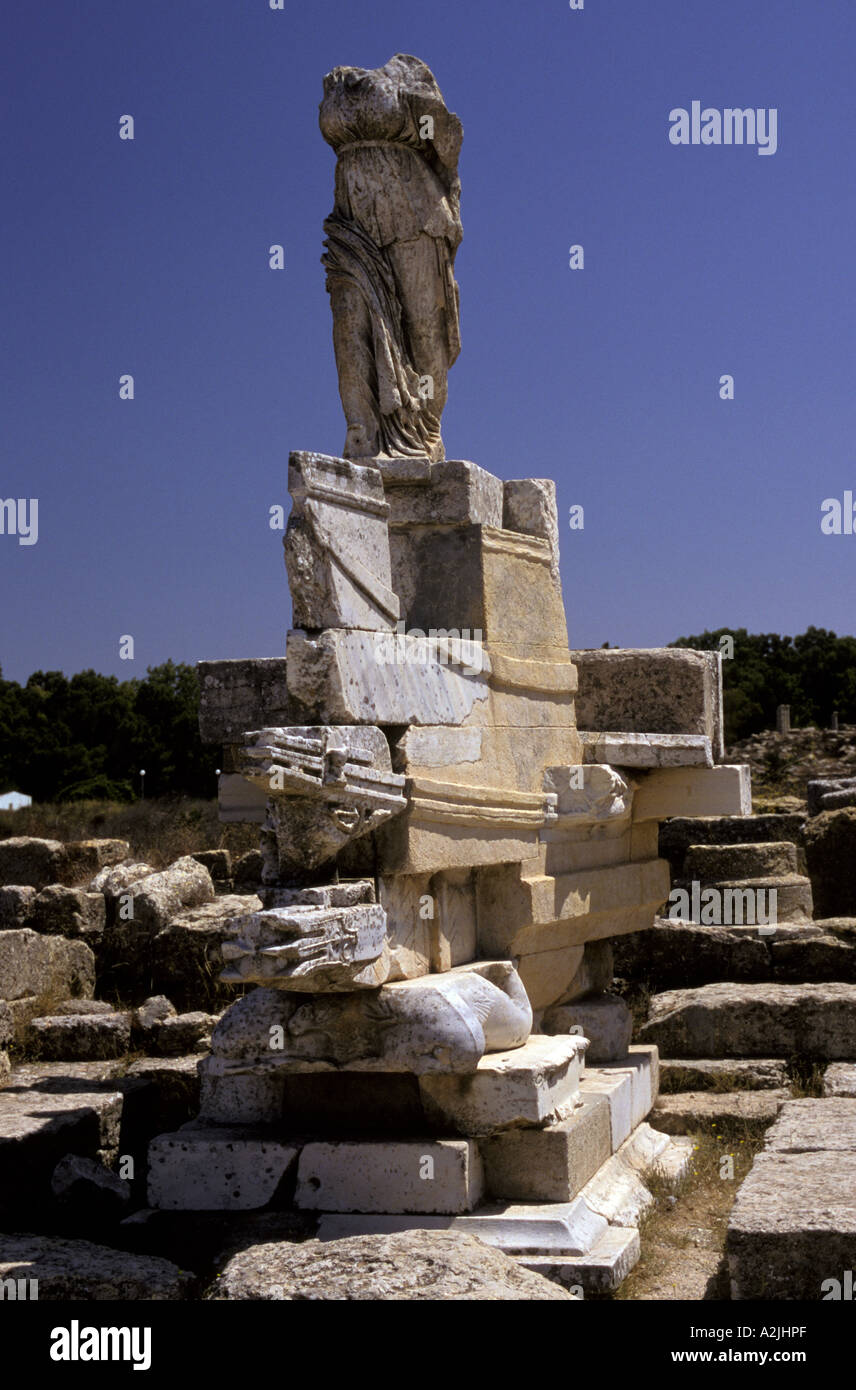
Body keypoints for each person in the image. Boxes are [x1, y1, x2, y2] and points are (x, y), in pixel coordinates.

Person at [319, 54, 463, 462]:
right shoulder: (334, 84)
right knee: (350, 318)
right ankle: (361, 434)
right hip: (352, 213)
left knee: (422, 329)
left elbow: (446, 148)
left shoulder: (411, 77)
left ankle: (424, 432)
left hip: (414, 211)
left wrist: (423, 117)